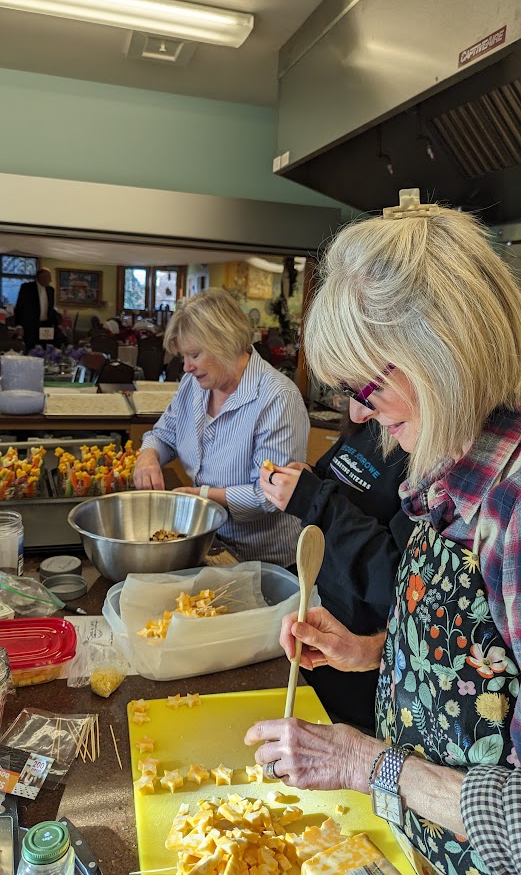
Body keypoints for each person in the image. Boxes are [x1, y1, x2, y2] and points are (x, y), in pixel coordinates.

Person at [245, 190, 521, 875]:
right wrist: (374, 651)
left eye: (367, 385)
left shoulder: (512, 508)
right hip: (420, 847)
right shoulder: (445, 465)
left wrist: (364, 760)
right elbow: (485, 675)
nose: (360, 414)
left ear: (441, 350)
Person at [133, 288, 309, 566]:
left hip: (265, 559)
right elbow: (163, 435)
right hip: (211, 542)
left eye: (194, 355)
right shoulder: (194, 384)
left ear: (224, 342)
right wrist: (148, 455)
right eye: (184, 357)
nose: (187, 367)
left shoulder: (277, 397)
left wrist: (203, 496)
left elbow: (270, 495)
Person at [259, 420, 410, 730]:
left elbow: (400, 578)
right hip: (332, 645)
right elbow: (342, 487)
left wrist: (315, 501)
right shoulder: (367, 424)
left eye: (365, 393)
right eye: (346, 393)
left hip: (366, 683)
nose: (355, 411)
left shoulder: (420, 450)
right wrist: (312, 478)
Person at [14, 267, 58, 351]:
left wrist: (57, 324)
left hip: (45, 325)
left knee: (45, 348)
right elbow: (19, 307)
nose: (50, 280)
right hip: (30, 325)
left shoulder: (51, 290)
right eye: (48, 277)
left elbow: (51, 308)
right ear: (41, 277)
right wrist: (19, 325)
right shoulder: (27, 287)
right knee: (30, 348)